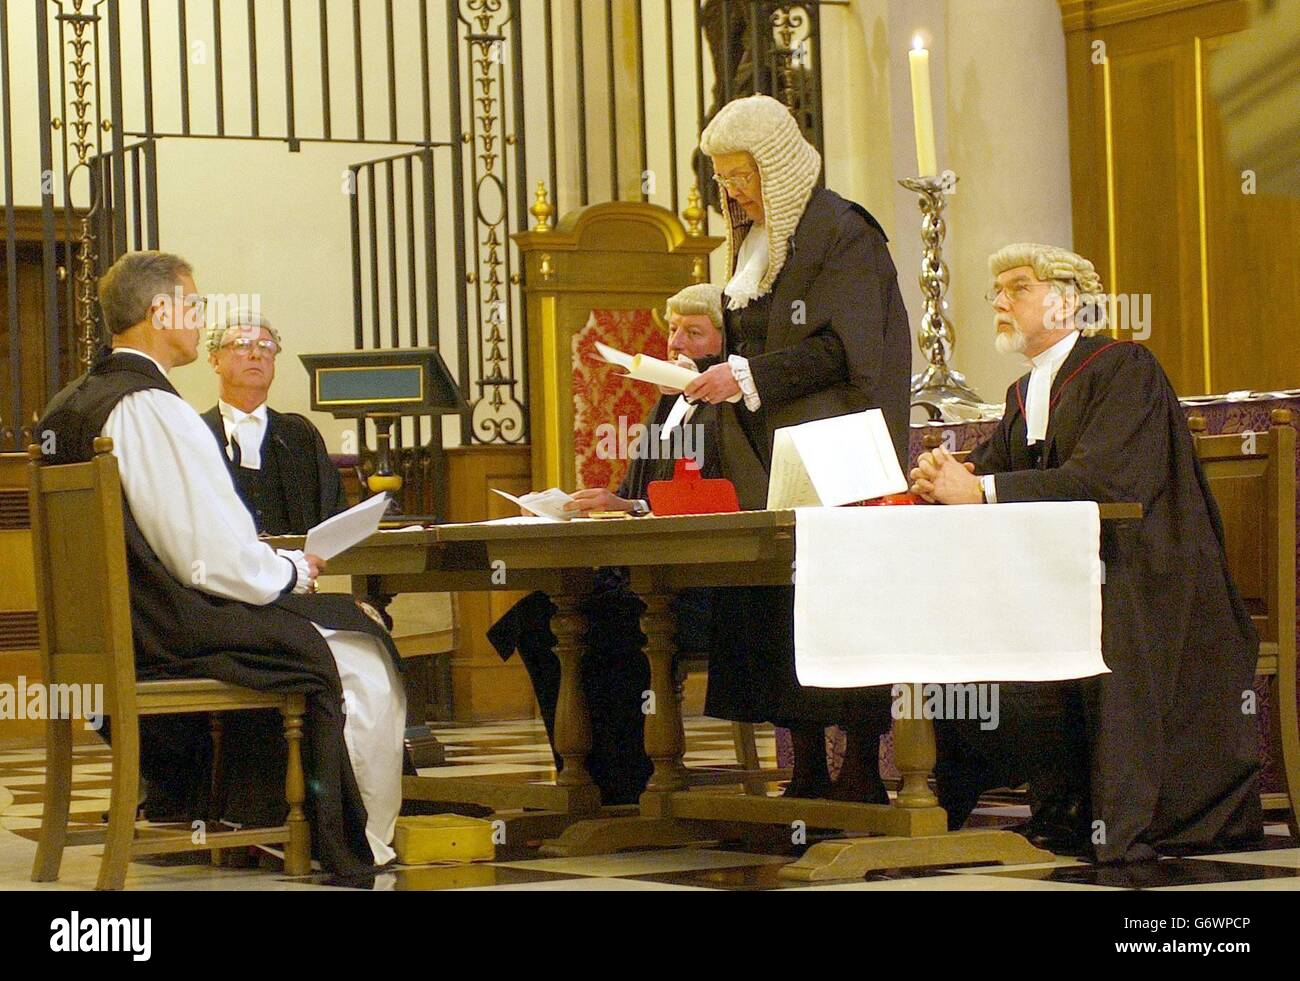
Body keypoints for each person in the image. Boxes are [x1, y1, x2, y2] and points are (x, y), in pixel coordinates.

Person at [37, 251, 406, 877]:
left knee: (321, 627)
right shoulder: (154, 409)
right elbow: (206, 559)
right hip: (165, 632)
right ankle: (347, 838)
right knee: (359, 651)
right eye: (194, 303)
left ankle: (248, 814)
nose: (200, 316)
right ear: (161, 311)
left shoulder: (70, 405)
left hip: (106, 632)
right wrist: (289, 572)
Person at [910, 242, 1261, 861]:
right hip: (1074, 574)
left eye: (1018, 287)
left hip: (1148, 572)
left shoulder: (1124, 367)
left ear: (1067, 300)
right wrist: (941, 478)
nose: (999, 302)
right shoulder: (1025, 393)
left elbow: (1106, 481)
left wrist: (979, 489)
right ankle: (1045, 805)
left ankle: (1114, 817)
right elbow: (994, 470)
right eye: (997, 290)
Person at [685, 93, 912, 801]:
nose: (732, 192)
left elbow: (847, 349)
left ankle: (862, 770)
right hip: (762, 452)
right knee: (776, 607)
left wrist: (747, 375)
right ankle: (807, 763)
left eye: (742, 175)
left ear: (777, 165)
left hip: (835, 451)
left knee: (842, 601)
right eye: (723, 178)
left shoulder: (846, 234)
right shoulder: (755, 241)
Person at [488, 283, 766, 804]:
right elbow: (640, 494)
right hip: (646, 575)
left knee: (610, 626)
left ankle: (630, 786)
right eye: (673, 330)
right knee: (538, 618)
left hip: (709, 585)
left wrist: (634, 508)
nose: (676, 343)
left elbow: (725, 501)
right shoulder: (666, 407)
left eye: (694, 332)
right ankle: (584, 779)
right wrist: (606, 502)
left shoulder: (738, 411)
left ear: (725, 343)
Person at [201, 311, 347, 536]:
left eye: (266, 347)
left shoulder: (298, 435)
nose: (255, 355)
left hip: (294, 557)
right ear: (215, 360)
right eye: (242, 345)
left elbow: (331, 511)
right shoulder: (196, 432)